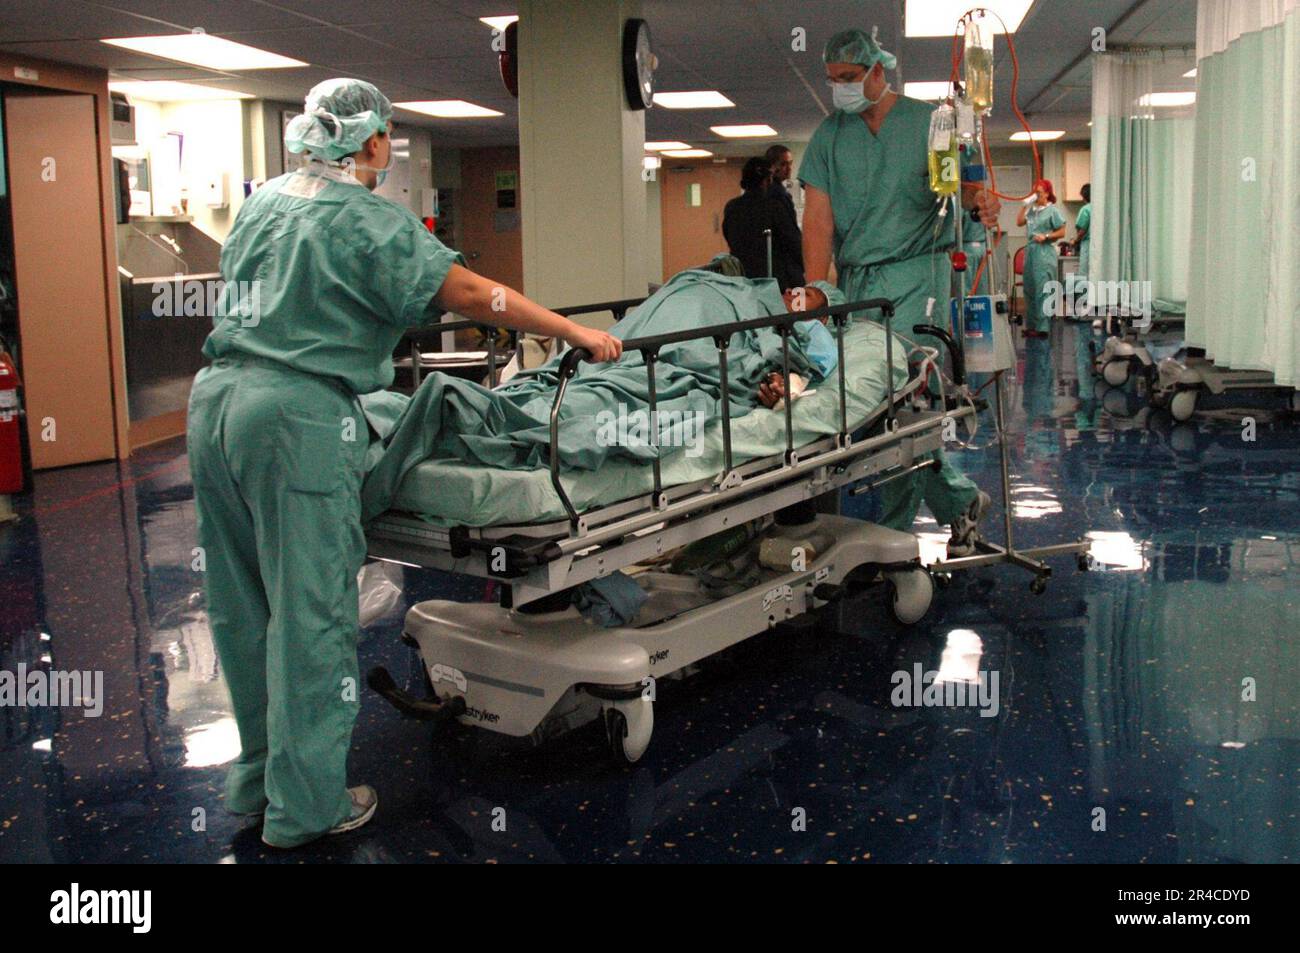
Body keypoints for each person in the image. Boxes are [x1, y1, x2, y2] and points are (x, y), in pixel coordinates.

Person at [186, 78, 620, 849]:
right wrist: (572, 333)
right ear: (374, 141)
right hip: (294, 417)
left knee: (242, 604)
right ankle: (309, 805)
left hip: (215, 406)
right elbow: (469, 293)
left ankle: (258, 780)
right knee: (309, 612)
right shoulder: (362, 217)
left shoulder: (262, 202)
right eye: (387, 136)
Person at [798, 26, 999, 556]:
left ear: (877, 72)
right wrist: (816, 293)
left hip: (918, 276)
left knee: (896, 406)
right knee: (875, 409)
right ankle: (958, 502)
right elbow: (817, 222)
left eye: (847, 78)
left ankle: (892, 541)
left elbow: (963, 186)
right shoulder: (828, 136)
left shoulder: (927, 123)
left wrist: (982, 199)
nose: (838, 88)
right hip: (859, 283)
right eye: (831, 80)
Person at [723, 157, 805, 290]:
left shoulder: (732, 207)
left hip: (744, 280)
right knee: (798, 309)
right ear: (767, 181)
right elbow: (793, 241)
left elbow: (729, 237)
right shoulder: (775, 206)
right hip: (780, 280)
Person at [1016, 178, 1066, 337]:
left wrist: (1046, 236)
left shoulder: (1053, 211)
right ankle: (1032, 325)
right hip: (1030, 251)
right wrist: (1025, 206)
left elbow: (1062, 231)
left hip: (1044, 252)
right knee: (1029, 289)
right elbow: (1019, 222)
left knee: (1042, 289)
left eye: (1039, 192)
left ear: (1047, 193)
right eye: (1034, 192)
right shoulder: (1033, 211)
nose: (1036, 195)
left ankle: (1043, 327)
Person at [764, 144, 799, 223]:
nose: (789, 168)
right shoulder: (775, 194)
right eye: (783, 164)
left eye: (790, 163)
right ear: (772, 167)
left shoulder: (780, 191)